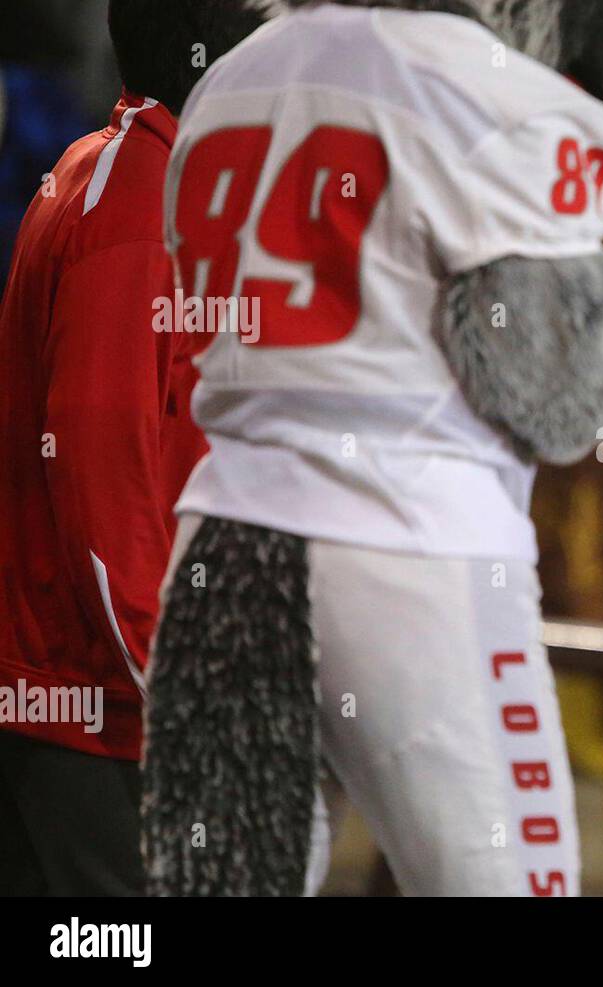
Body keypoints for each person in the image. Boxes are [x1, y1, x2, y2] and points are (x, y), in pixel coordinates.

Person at [141, 0, 603, 897]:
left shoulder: (237, 70)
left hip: (224, 533)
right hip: (416, 544)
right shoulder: (493, 88)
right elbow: (546, 390)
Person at [0, 0, 267, 895]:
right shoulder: (141, 211)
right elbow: (102, 491)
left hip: (94, 700)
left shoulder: (127, 169)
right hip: (93, 716)